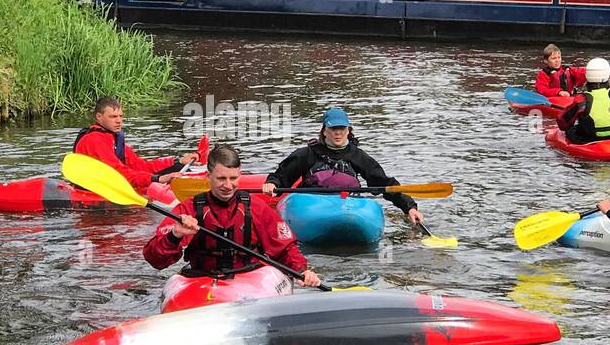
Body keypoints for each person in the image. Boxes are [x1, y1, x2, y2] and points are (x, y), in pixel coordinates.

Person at [144, 143, 322, 287]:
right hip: (202, 276)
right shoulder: (189, 209)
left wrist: (301, 270)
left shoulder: (256, 207)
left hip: (251, 274)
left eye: (233, 178)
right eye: (221, 179)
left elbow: (285, 247)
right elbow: (155, 260)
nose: (228, 185)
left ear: (240, 175)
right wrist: (175, 235)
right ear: (208, 176)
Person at [263, 107, 423, 226]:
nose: (338, 133)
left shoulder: (357, 155)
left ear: (348, 131)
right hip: (312, 206)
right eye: (333, 128)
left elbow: (383, 183)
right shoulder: (306, 154)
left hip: (348, 205)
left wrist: (409, 207)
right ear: (325, 131)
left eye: (342, 128)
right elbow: (282, 176)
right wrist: (273, 183)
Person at [72, 95, 198, 193]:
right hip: (94, 192)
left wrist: (178, 162)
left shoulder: (112, 138)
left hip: (111, 185)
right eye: (113, 116)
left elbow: (139, 165)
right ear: (99, 117)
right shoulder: (94, 140)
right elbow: (118, 173)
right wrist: (156, 179)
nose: (119, 121)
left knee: (177, 168)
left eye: (121, 116)